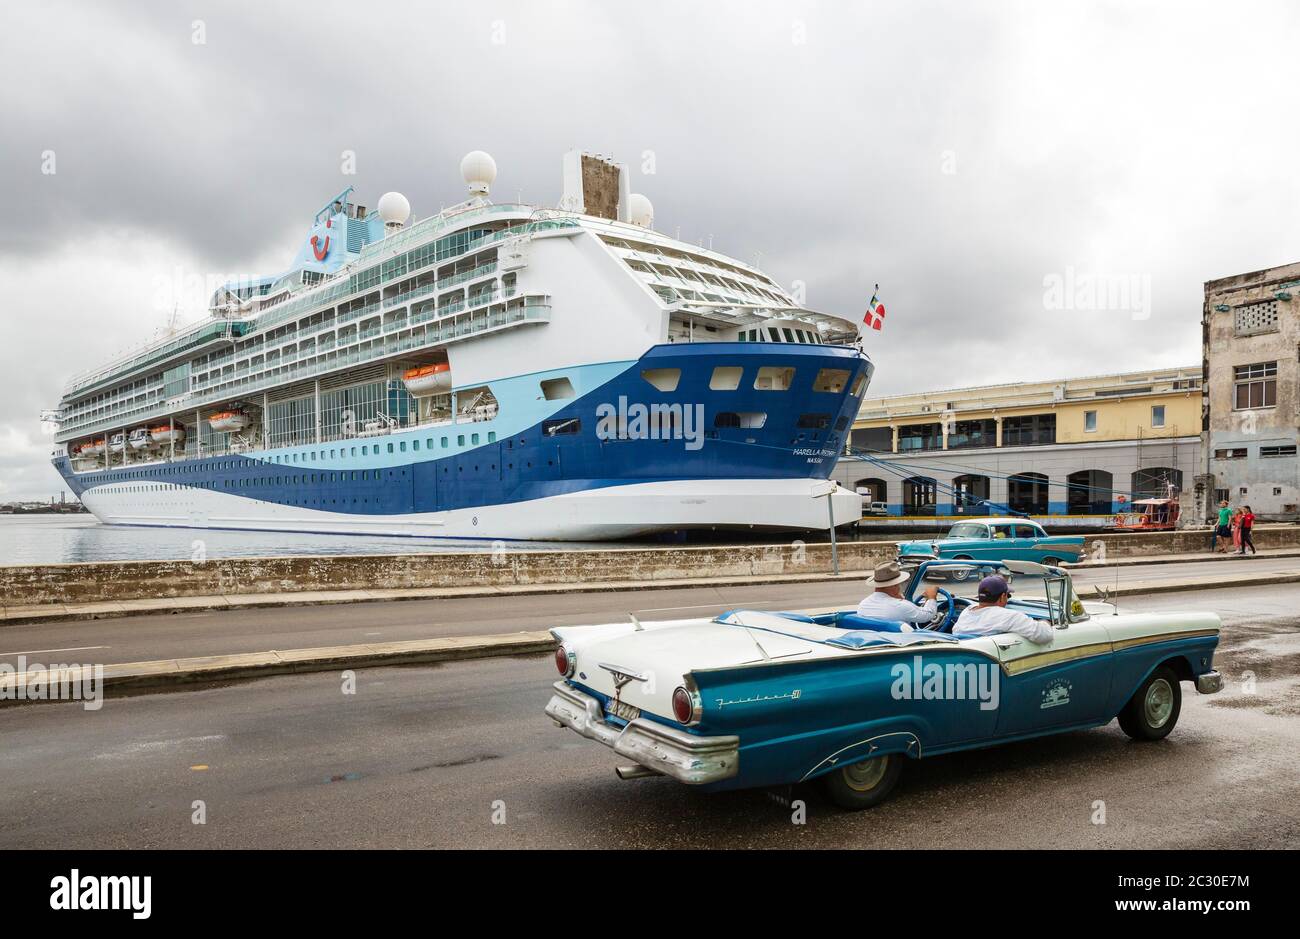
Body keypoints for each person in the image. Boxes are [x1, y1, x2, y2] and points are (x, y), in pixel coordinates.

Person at [952, 575, 1053, 644]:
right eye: (1008, 595)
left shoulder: (966, 611)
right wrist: (1045, 623)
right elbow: (1043, 635)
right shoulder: (1008, 616)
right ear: (1002, 596)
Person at [856, 561, 942, 628]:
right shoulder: (901, 606)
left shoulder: (863, 604)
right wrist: (931, 597)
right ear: (894, 585)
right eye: (898, 584)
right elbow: (928, 615)